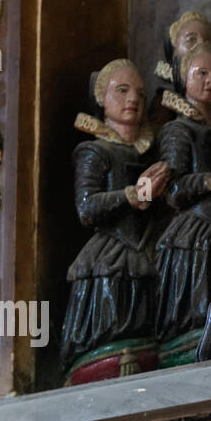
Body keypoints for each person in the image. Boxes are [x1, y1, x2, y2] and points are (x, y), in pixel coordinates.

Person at [62, 60, 169, 370]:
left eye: (139, 92)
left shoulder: (150, 152)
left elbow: (154, 206)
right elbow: (86, 208)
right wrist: (132, 194)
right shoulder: (94, 152)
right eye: (121, 91)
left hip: (148, 247)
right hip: (112, 255)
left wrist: (152, 192)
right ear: (101, 98)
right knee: (112, 340)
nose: (133, 99)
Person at [155, 42, 211, 346]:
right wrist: (207, 182)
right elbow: (172, 190)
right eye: (201, 73)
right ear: (183, 78)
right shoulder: (178, 130)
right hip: (198, 233)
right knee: (197, 320)